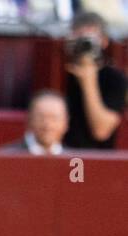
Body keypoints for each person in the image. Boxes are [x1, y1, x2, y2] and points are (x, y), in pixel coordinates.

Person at [62, 11, 126, 150]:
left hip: (98, 157)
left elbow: (101, 131)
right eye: (80, 40)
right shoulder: (55, 73)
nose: (84, 46)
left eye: (90, 40)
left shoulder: (114, 79)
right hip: (58, 156)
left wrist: (88, 80)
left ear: (104, 41)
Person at [2, 90, 67, 155]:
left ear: (65, 122)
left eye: (54, 119)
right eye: (41, 118)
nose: (48, 126)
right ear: (29, 120)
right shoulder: (6, 156)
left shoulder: (74, 159)